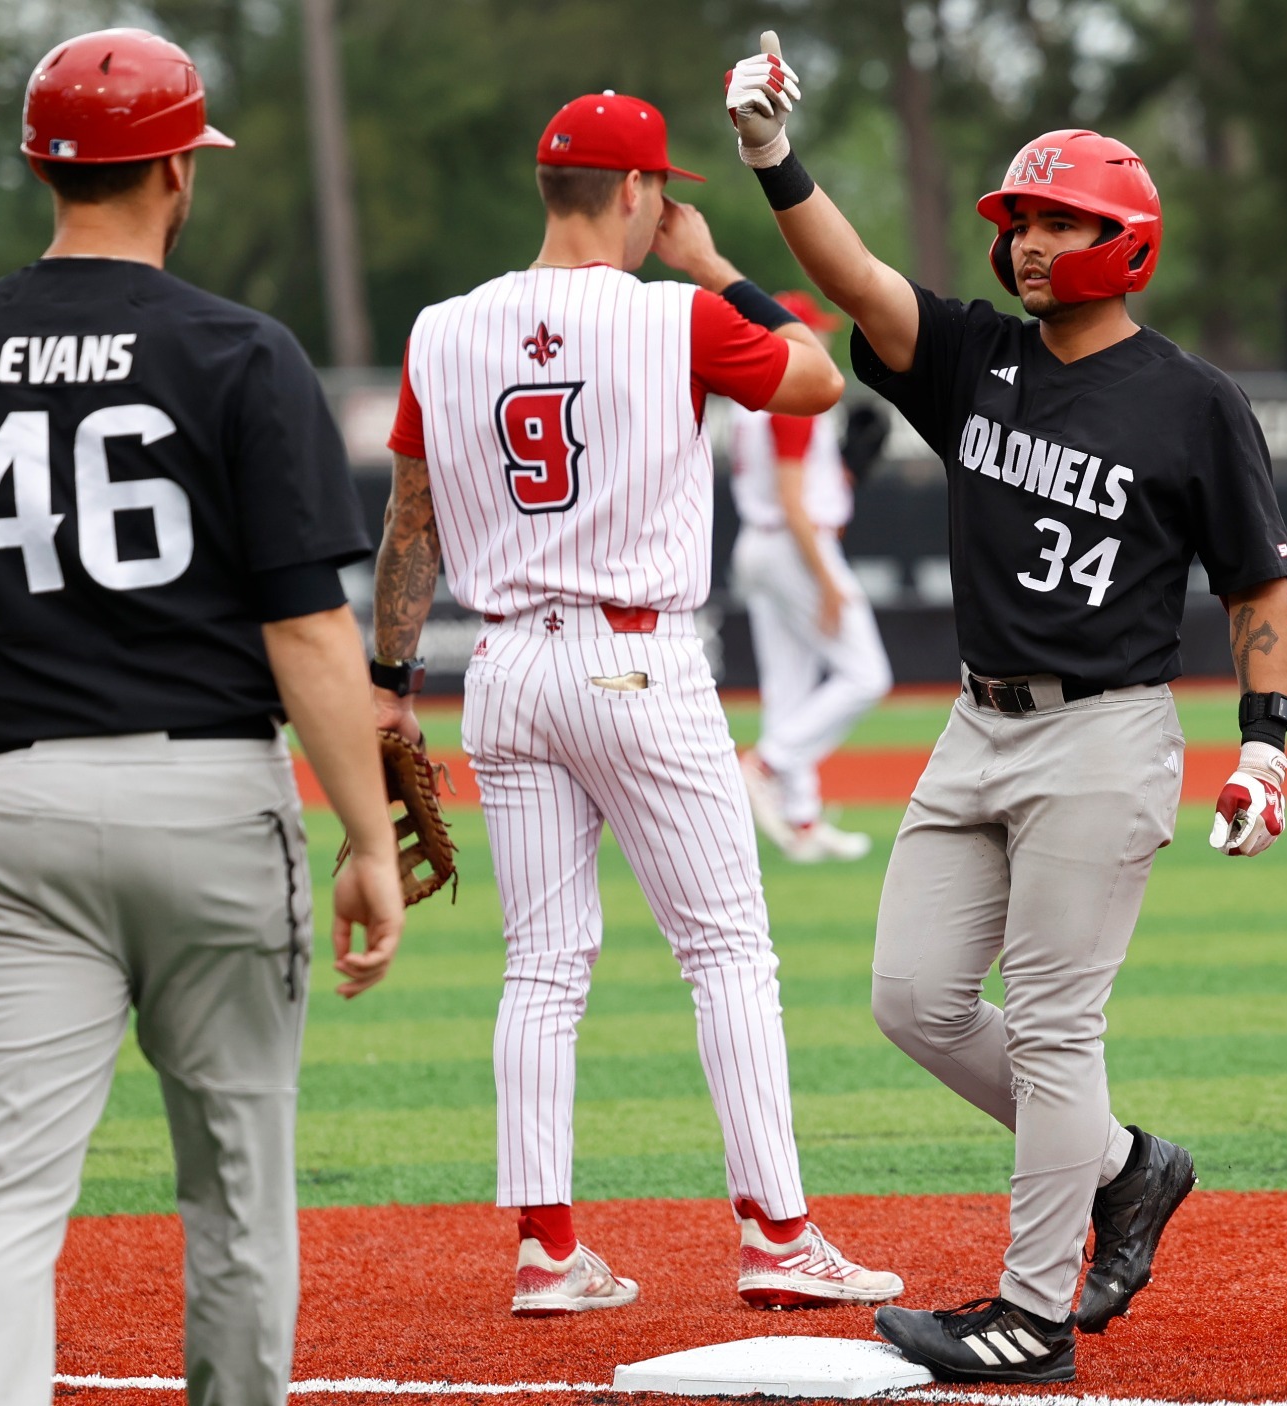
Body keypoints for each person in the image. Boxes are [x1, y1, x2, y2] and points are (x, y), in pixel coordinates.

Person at [0, 30, 404, 1406]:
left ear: (41, 164)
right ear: (174, 172)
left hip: (21, 799)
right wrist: (368, 835)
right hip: (210, 801)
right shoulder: (244, 353)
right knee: (238, 1187)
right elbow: (308, 628)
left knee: (5, 1190)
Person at [725, 43, 1287, 1384]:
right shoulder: (977, 357)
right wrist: (770, 155)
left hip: (1105, 734)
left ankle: (1032, 1315)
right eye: (1019, 221)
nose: (1029, 241)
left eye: (1057, 221)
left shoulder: (1194, 402)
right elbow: (852, 282)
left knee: (1053, 1027)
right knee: (913, 998)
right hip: (977, 728)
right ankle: (1126, 1166)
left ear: (1129, 243)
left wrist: (1264, 744)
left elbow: (1259, 583)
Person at [367, 90, 903, 1316]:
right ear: (637, 193)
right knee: (726, 948)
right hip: (635, 659)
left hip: (502, 664)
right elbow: (820, 379)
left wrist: (391, 688)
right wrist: (717, 269)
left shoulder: (440, 328)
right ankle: (776, 1232)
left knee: (541, 966)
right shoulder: (678, 317)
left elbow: (410, 523)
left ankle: (547, 1249)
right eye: (663, 192)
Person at [729, 289, 893, 864]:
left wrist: (841, 473)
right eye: (809, 330)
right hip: (793, 544)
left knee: (789, 684)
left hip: (762, 542)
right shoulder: (794, 395)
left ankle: (800, 819)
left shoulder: (750, 394)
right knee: (867, 674)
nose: (819, 339)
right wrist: (826, 579)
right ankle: (767, 762)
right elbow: (796, 503)